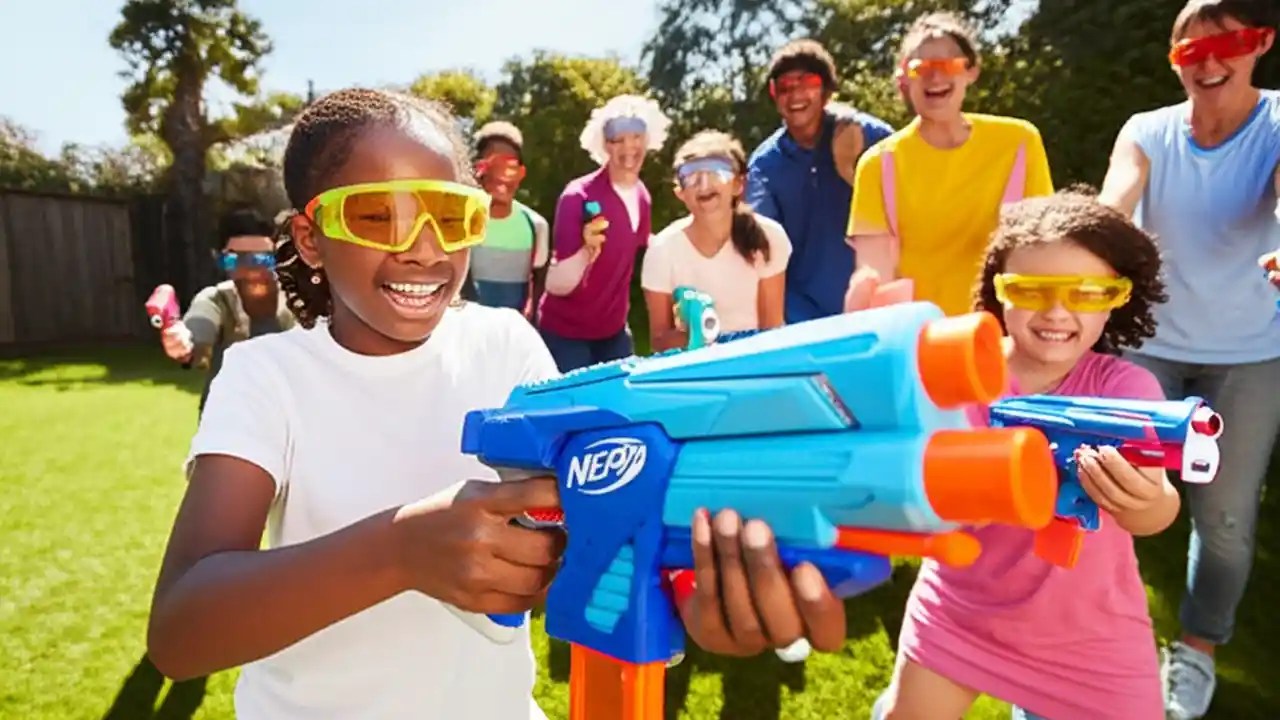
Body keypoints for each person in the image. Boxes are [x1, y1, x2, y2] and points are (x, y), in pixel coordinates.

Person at [145, 87, 851, 720]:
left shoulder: (504, 344)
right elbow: (180, 632)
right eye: (379, 216)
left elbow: (581, 537)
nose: (424, 249)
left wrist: (686, 593)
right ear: (311, 238)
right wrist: (399, 551)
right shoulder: (265, 375)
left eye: (450, 217)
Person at [866, 189, 1177, 720]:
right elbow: (907, 490)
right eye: (1031, 289)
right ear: (999, 290)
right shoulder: (958, 374)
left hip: (1091, 636)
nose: (1057, 312)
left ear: (1117, 298)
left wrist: (1142, 501)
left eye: (1086, 293)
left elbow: (1157, 512)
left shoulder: (1126, 391)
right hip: (962, 612)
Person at [1096, 2, 1280, 717]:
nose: (1209, 63)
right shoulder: (1146, 130)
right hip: (1149, 348)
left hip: (1250, 355)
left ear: (1262, 43)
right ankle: (1101, 632)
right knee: (1108, 490)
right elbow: (1115, 203)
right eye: (1189, 52)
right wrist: (1091, 248)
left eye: (1228, 43)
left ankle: (1198, 647)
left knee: (1225, 522)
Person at [846, 12, 1054, 318]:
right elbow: (875, 273)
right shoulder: (878, 163)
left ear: (971, 71)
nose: (935, 77)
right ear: (903, 78)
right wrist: (863, 294)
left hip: (1005, 332)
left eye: (948, 65)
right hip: (922, 335)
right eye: (921, 67)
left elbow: (1044, 247)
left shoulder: (1020, 142)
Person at [745, 38, 894, 323]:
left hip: (878, 307)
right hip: (804, 319)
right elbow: (763, 253)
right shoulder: (764, 166)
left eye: (808, 83)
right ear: (774, 94)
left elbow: (909, 209)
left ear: (827, 90)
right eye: (785, 87)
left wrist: (853, 170)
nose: (796, 94)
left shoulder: (873, 136)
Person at [536, 94, 669, 371]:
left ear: (648, 140)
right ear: (605, 145)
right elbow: (557, 285)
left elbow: (645, 244)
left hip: (613, 332)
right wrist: (587, 250)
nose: (629, 147)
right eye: (617, 139)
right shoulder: (577, 196)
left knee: (622, 398)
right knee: (574, 400)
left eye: (636, 136)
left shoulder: (642, 196)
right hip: (566, 334)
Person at [642, 130, 791, 352]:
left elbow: (772, 329)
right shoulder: (662, 250)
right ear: (680, 193)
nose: (704, 185)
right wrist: (697, 337)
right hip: (694, 367)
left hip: (754, 361)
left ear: (738, 185)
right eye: (692, 176)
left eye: (716, 173)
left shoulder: (769, 237)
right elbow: (659, 340)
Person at [158, 207, 295, 413]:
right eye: (235, 260)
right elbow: (199, 327)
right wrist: (184, 341)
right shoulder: (218, 298)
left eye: (261, 259)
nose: (250, 271)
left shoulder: (298, 300)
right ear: (219, 259)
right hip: (228, 417)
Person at [467, 121, 550, 318]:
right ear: (477, 171)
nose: (500, 178)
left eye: (509, 167)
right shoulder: (460, 222)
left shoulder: (535, 226)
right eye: (491, 166)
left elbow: (538, 293)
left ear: (521, 174)